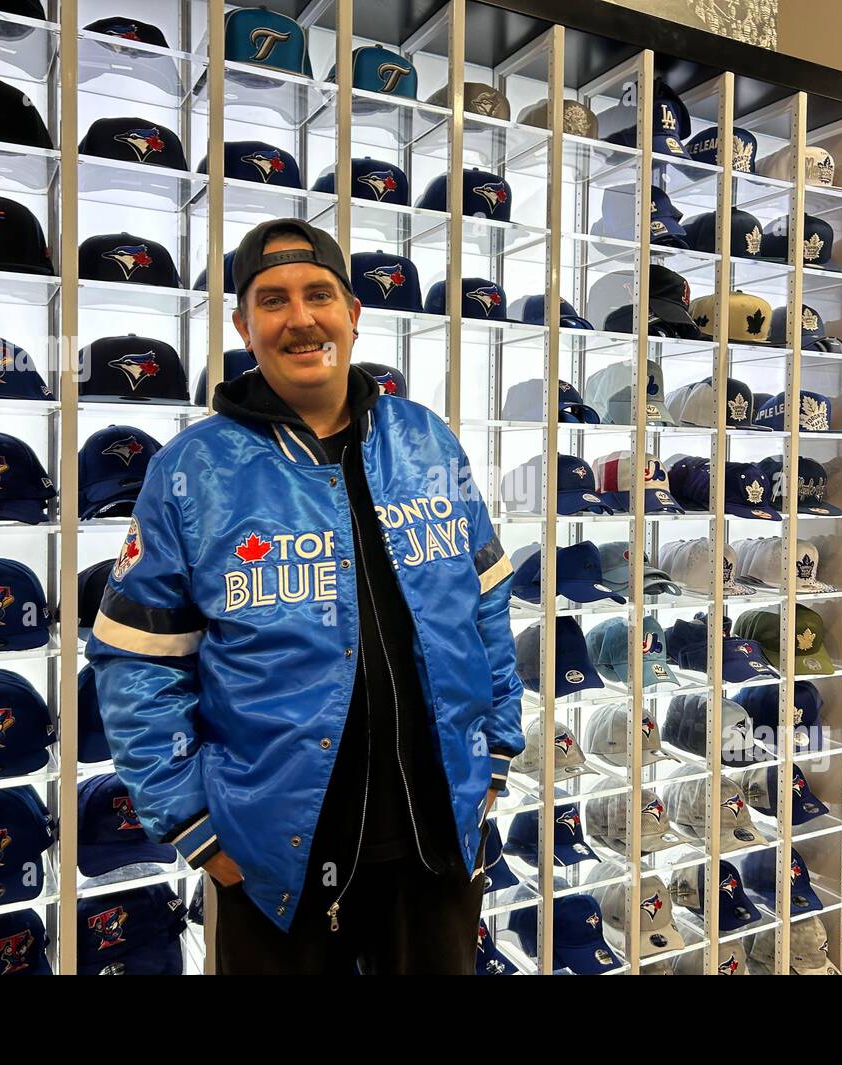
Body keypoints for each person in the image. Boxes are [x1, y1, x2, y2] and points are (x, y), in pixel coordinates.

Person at [86, 219, 524, 974]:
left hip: (435, 834)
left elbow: (487, 603)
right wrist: (193, 821)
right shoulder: (193, 470)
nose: (301, 318)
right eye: (273, 300)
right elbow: (134, 660)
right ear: (242, 326)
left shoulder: (427, 441)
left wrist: (497, 755)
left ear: (353, 313)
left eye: (319, 294)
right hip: (274, 855)